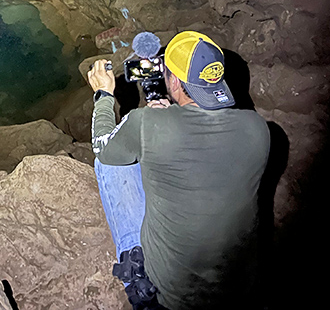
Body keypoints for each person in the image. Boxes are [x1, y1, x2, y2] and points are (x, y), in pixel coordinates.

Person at [88, 30, 270, 310]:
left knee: (110, 163)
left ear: (173, 80)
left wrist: (103, 94)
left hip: (167, 299)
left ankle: (135, 270)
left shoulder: (148, 124)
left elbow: (102, 146)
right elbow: (202, 143)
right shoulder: (259, 129)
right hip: (240, 293)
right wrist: (169, 116)